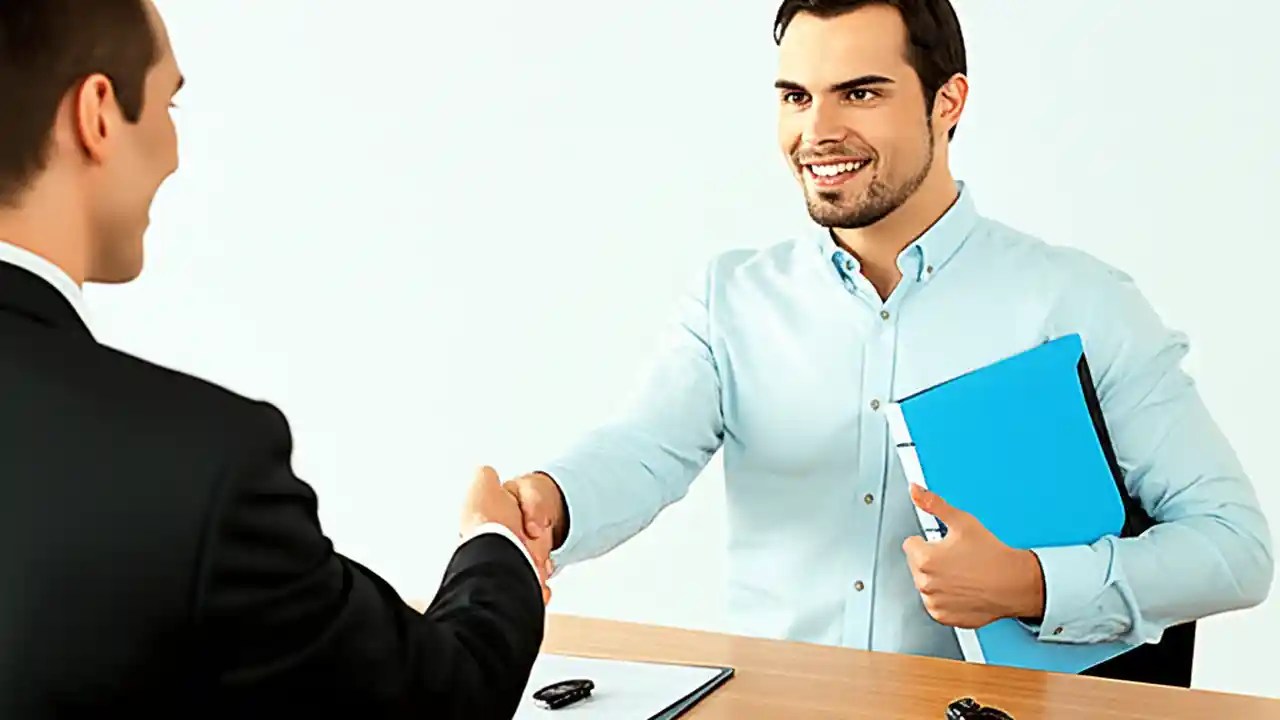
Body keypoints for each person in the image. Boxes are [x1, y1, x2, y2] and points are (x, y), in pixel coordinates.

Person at [501, 0, 1274, 685]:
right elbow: (643, 452)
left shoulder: (1078, 303)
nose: (818, 131)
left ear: (949, 103)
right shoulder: (730, 298)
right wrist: (547, 505)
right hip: (776, 706)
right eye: (796, 97)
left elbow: (1234, 549)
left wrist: (1030, 583)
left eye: (860, 93)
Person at [0, 1, 551, 717]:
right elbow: (445, 699)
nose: (174, 152)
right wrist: (495, 544)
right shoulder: (196, 470)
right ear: (99, 114)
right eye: (171, 104)